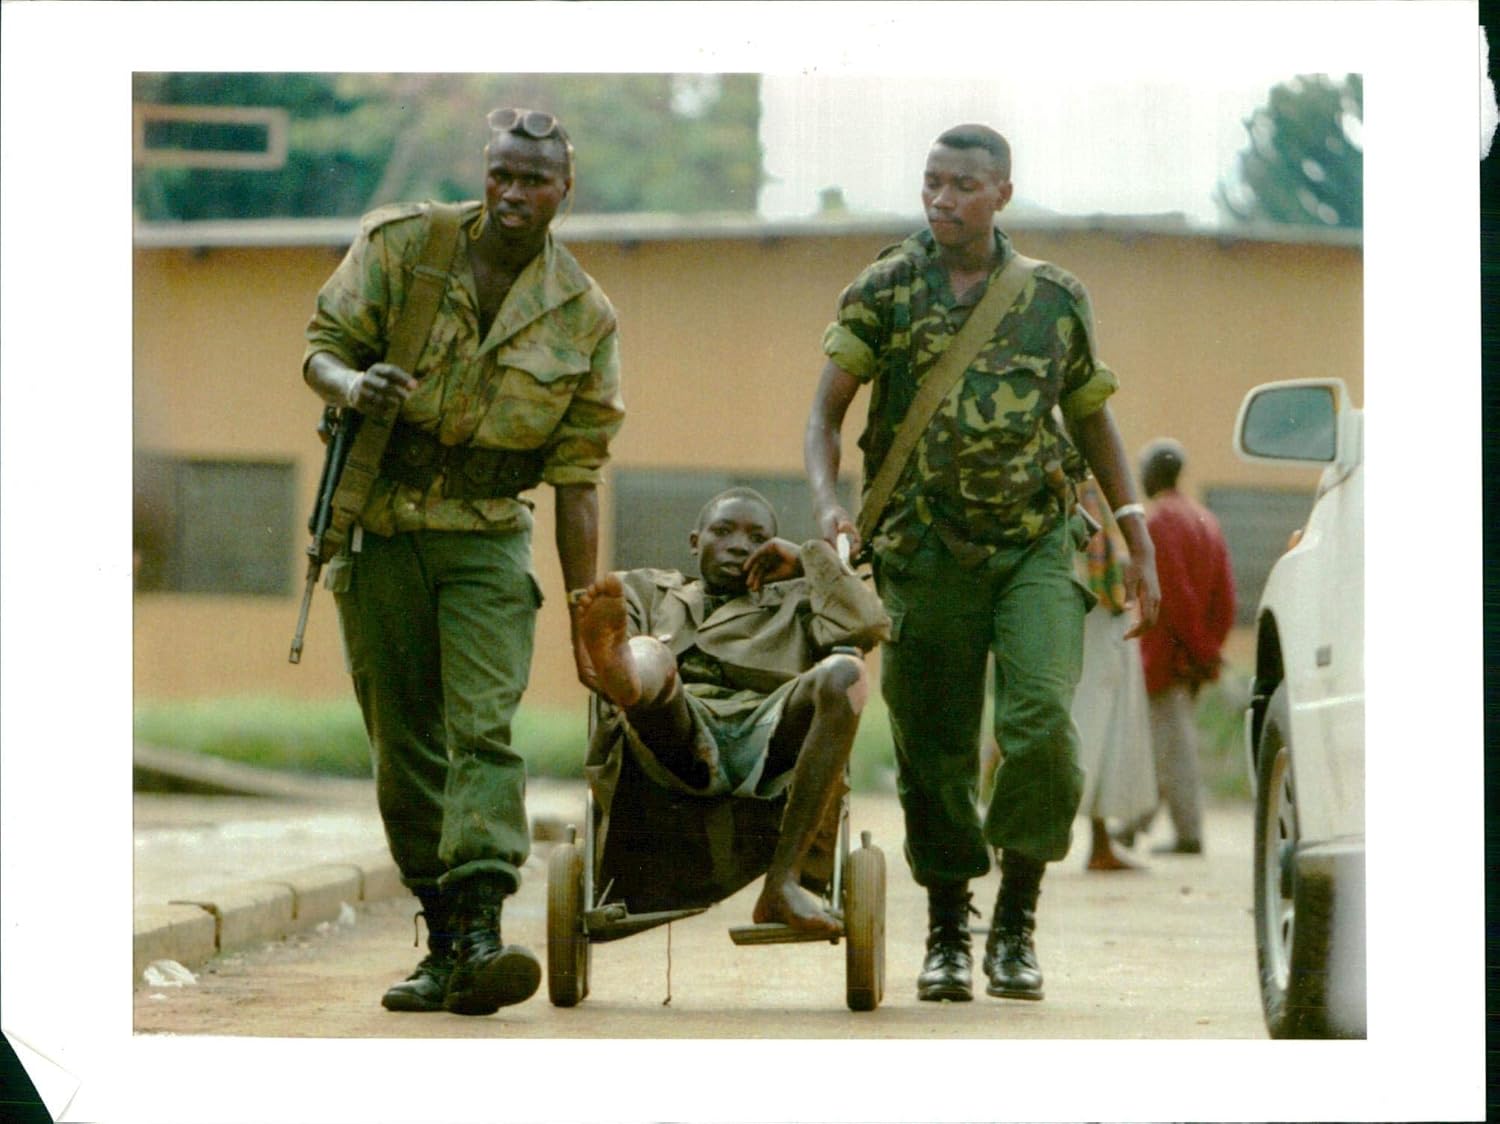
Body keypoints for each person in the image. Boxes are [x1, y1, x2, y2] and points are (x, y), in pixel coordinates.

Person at [804, 123, 1160, 1004]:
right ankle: (948, 928)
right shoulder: (884, 287)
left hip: (1035, 542)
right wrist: (828, 505)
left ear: (1002, 192)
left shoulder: (1053, 298)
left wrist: (1133, 526)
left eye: (963, 185)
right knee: (933, 752)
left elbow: (1091, 417)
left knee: (1040, 725)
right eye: (932, 183)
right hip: (921, 552)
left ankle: (1017, 921)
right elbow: (825, 417)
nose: (942, 199)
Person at [301, 108, 624, 1015]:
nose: (514, 194)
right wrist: (354, 384)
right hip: (383, 528)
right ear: (485, 175)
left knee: (480, 728)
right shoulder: (404, 246)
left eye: (534, 180)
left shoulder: (586, 315)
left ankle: (483, 924)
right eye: (501, 174)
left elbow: (578, 474)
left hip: (486, 538)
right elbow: (321, 350)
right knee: (402, 745)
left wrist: (583, 611)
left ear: (567, 189)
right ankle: (445, 944)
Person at [572, 487, 890, 935]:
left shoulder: (799, 600)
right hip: (673, 733)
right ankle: (625, 669)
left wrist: (807, 560)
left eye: (757, 536)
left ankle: (782, 884)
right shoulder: (645, 589)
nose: (740, 544)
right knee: (653, 656)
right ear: (694, 541)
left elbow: (871, 624)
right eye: (723, 531)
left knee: (847, 673)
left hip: (769, 738)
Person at [1123, 439, 1236, 856]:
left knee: (1173, 748)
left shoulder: (1159, 523)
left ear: (1155, 473)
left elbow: (1175, 595)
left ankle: (1188, 834)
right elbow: (1225, 596)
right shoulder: (1206, 519)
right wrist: (1210, 649)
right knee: (1165, 743)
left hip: (1169, 655)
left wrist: (1197, 650)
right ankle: (1135, 823)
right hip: (1191, 654)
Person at [1070, 479, 1157, 871]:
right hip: (1092, 624)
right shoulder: (1085, 485)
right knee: (1096, 732)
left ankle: (1100, 843)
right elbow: (1100, 566)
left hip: (1076, 621)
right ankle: (1098, 844)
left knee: (1094, 735)